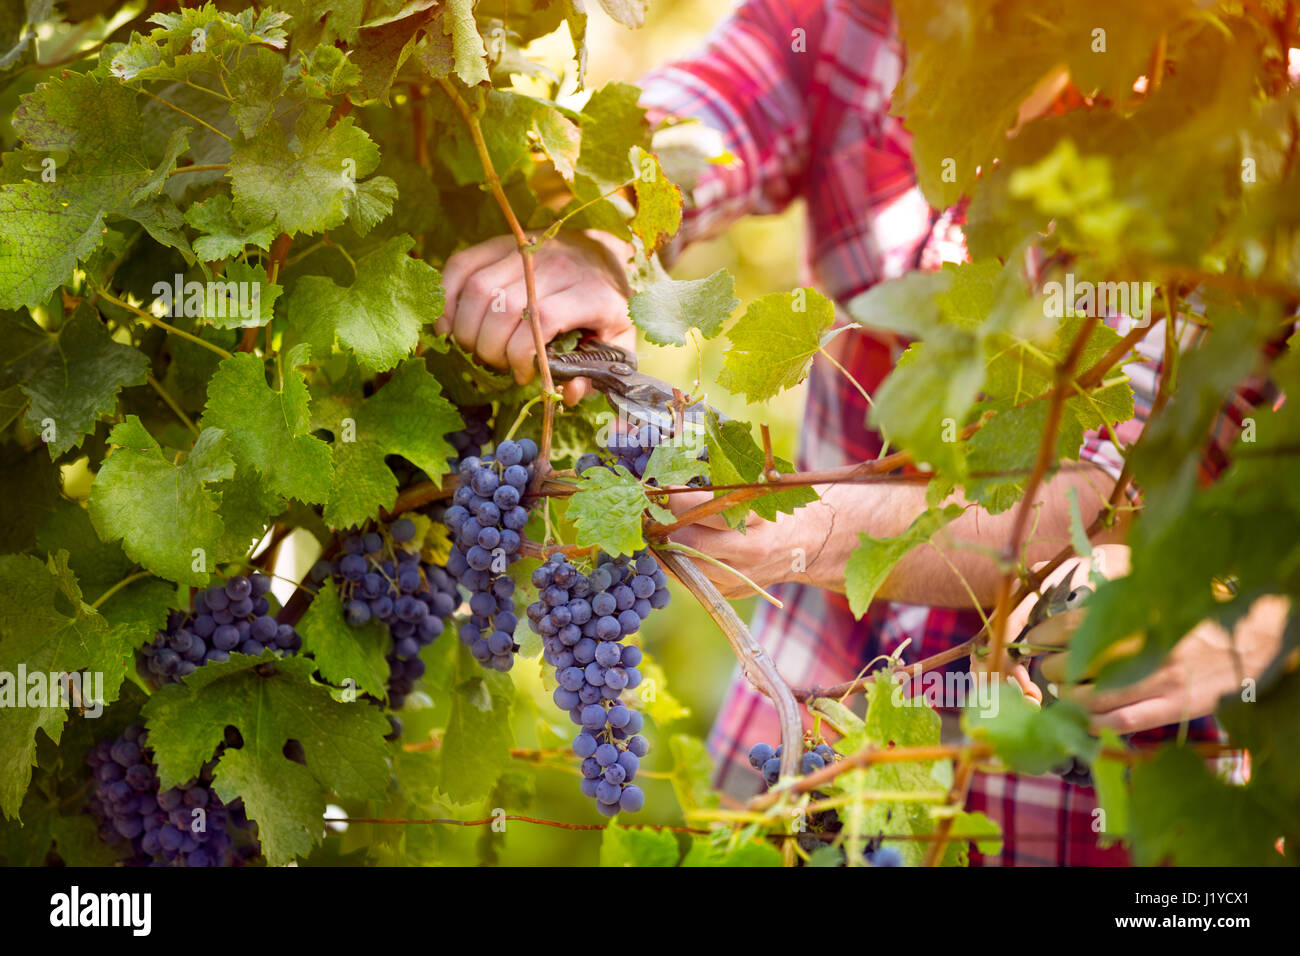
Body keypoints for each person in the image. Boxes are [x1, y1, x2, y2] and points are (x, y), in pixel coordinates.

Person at [436, 0, 1286, 864]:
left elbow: (1109, 496)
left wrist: (800, 531)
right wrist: (599, 239)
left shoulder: (1238, 119)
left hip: (1093, 811)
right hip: (806, 741)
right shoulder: (857, 20)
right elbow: (693, 126)